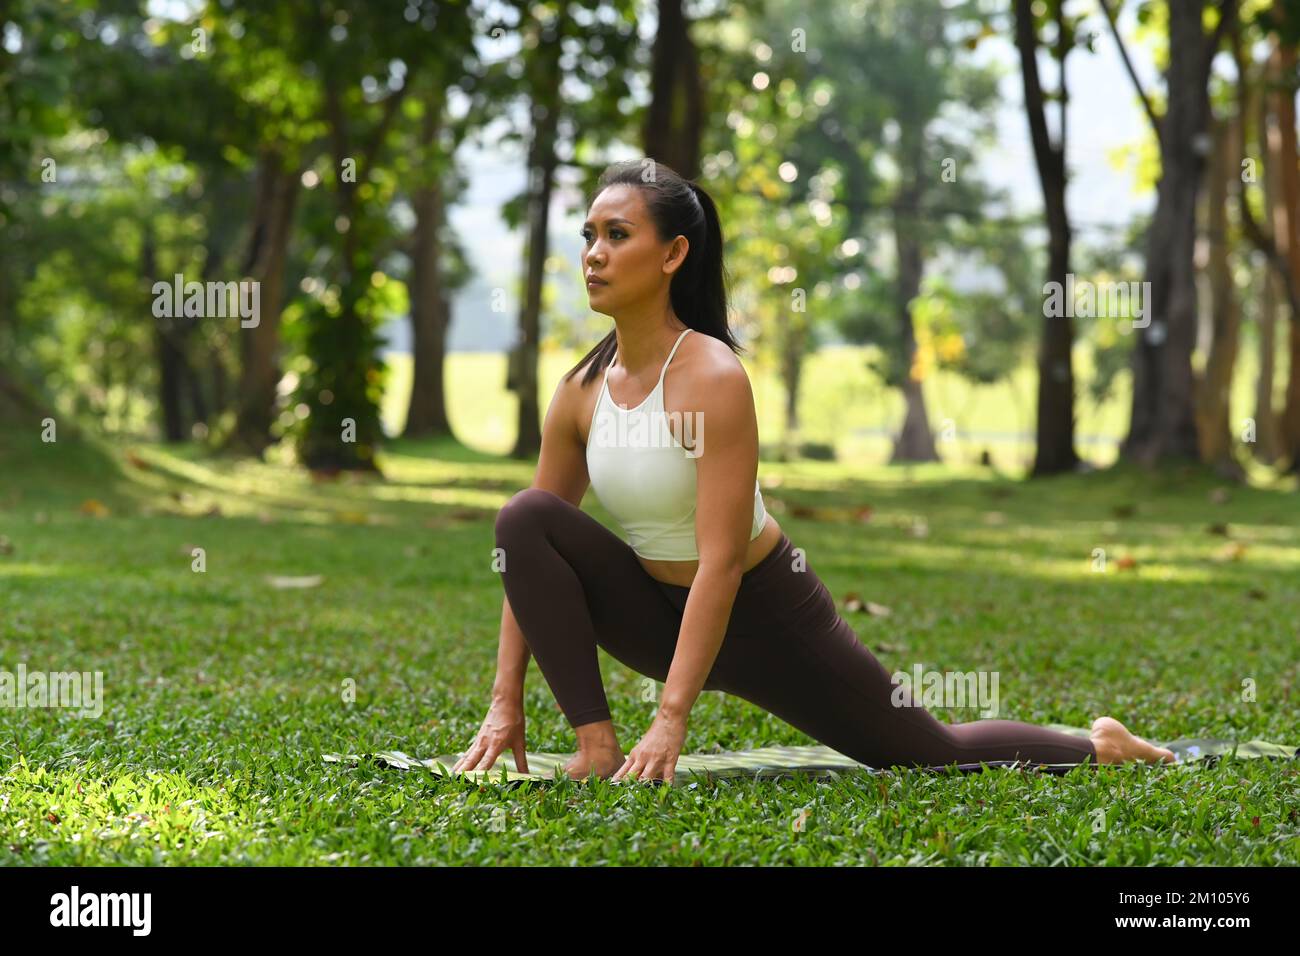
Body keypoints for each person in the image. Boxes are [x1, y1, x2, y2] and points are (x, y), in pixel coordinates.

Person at [453, 159, 1175, 784]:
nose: (594, 255)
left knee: (927, 755)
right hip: (653, 615)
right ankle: (597, 747)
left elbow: (723, 560)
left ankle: (1099, 745)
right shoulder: (581, 391)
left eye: (617, 236)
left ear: (673, 255)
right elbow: (526, 557)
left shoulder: (711, 376)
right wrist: (503, 700)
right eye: (588, 236)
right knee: (525, 516)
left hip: (764, 613)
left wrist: (672, 718)